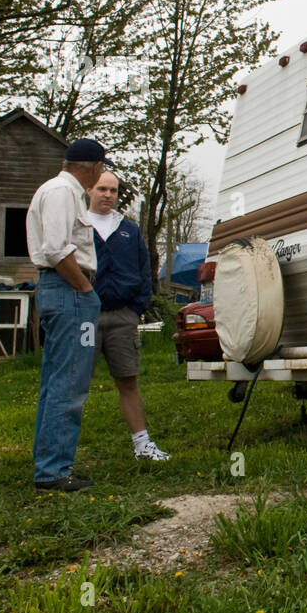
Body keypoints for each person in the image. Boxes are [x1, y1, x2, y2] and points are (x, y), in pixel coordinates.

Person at [26, 139, 109, 490]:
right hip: (70, 292)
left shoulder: (58, 189)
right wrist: (85, 290)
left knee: (55, 381)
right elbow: (57, 249)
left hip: (58, 291)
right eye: (101, 167)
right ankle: (54, 472)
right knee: (70, 382)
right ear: (92, 167)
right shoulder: (63, 192)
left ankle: (49, 463)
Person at [86, 169, 169, 461]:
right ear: (89, 191)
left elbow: (145, 270)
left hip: (123, 316)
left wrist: (136, 309)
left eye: (113, 190)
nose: (108, 195)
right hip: (85, 315)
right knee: (74, 383)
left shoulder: (129, 229)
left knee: (128, 381)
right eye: (101, 189)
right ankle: (60, 453)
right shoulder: (78, 225)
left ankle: (143, 445)